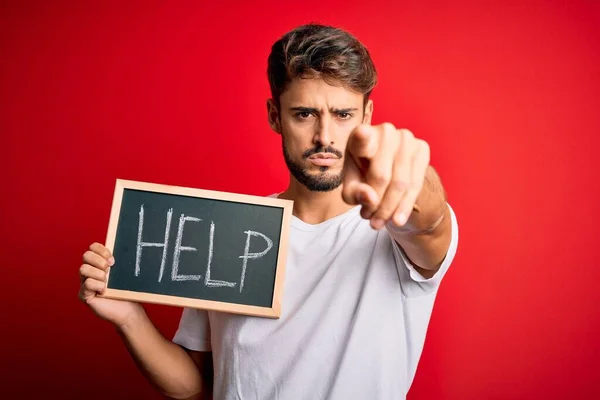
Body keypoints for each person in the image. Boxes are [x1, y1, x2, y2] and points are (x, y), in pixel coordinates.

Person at [78, 23, 459, 400]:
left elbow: (430, 224)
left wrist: (413, 176)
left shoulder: (395, 231)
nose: (325, 136)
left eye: (343, 114)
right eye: (305, 114)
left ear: (366, 115)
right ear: (275, 116)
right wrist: (129, 316)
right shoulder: (228, 228)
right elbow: (196, 383)